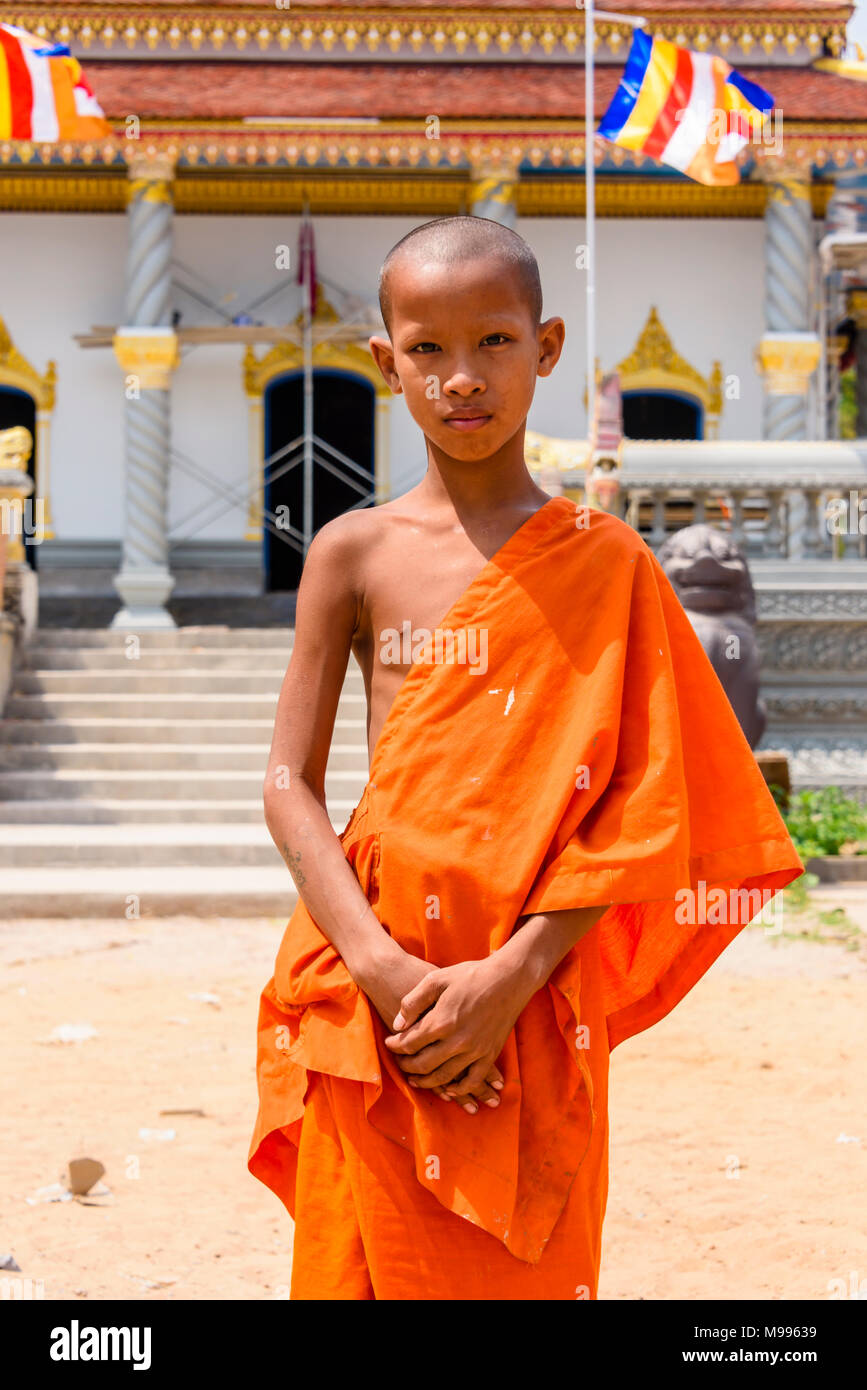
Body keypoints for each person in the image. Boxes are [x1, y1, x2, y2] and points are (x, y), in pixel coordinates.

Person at [248, 215, 802, 1300]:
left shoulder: (608, 563)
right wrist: (376, 962)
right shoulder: (353, 553)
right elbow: (289, 783)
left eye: (494, 342)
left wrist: (513, 975)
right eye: (428, 349)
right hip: (376, 996)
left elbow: (647, 807)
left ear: (547, 347)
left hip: (532, 1004)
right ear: (385, 362)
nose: (462, 378)